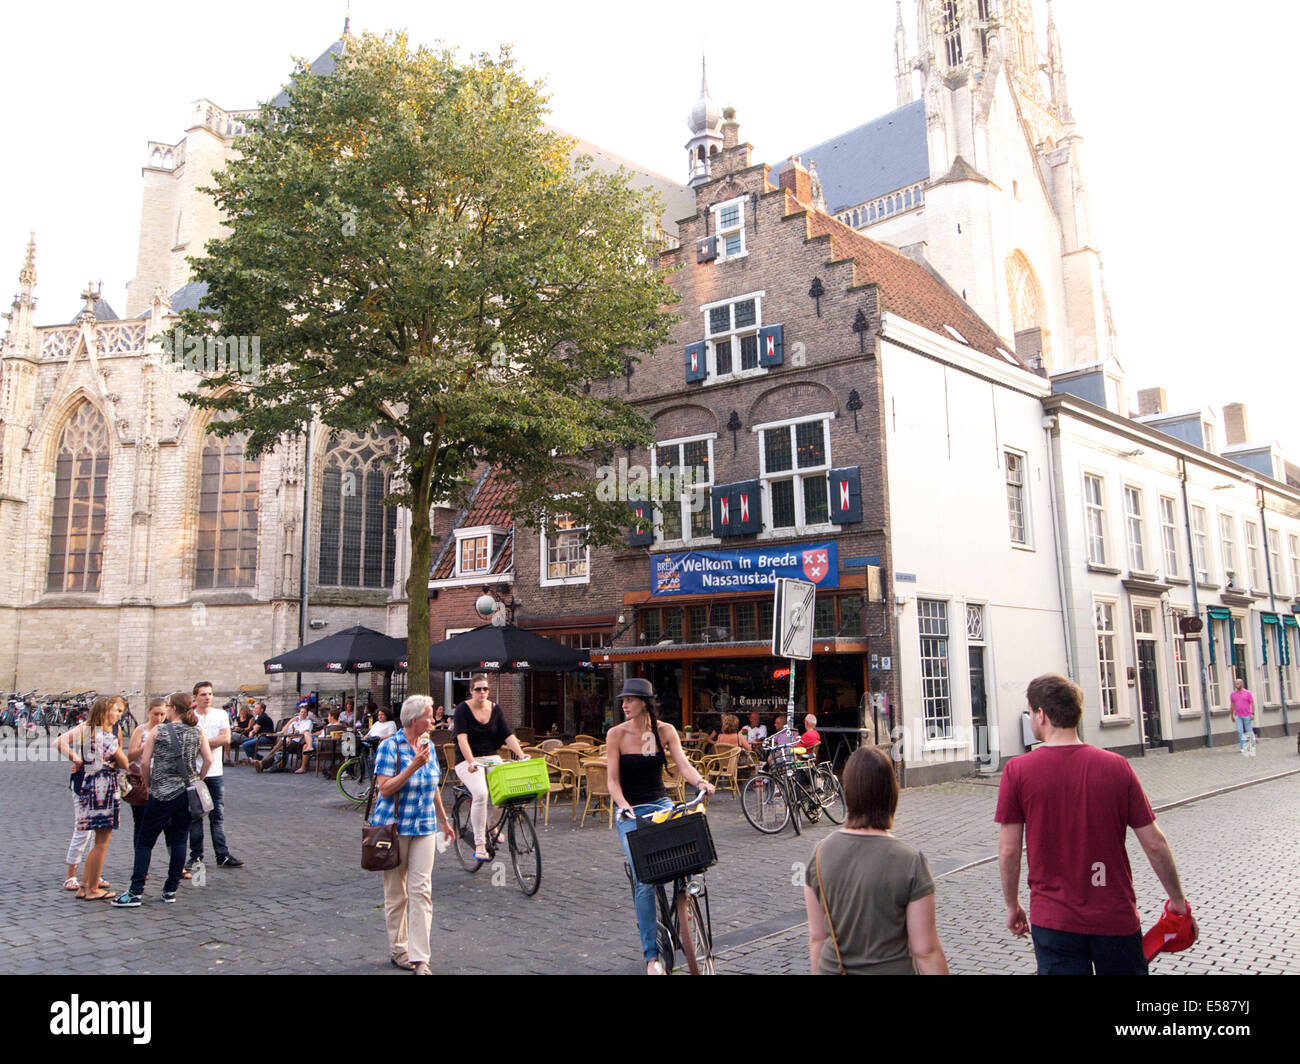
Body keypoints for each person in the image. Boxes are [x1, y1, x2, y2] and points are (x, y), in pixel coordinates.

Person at [995, 674, 1195, 975]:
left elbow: (1010, 851)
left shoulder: (1018, 770)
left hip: (1054, 919)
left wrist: (1013, 905)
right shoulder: (1116, 766)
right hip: (1114, 916)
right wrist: (1177, 900)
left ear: (1041, 715)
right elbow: (1154, 843)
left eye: (1031, 711)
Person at [804, 747, 948, 974]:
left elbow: (816, 937)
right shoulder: (910, 862)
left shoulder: (819, 854)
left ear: (848, 792)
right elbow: (925, 951)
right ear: (891, 793)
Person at [607, 677, 716, 975]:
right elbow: (612, 780)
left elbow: (682, 764)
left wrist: (701, 782)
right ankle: (651, 958)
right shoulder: (615, 734)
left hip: (660, 803)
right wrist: (623, 805)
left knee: (687, 844)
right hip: (631, 811)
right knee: (644, 880)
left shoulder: (664, 731)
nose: (624, 705)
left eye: (629, 699)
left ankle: (685, 900)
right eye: (623, 700)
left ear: (644, 702)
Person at [371, 695, 454, 975]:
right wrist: (412, 766)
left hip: (424, 827)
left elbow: (433, 786)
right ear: (414, 720)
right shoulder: (388, 747)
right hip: (394, 828)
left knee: (422, 891)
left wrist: (444, 821)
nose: (433, 721)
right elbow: (384, 789)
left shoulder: (428, 745)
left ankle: (420, 958)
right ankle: (399, 949)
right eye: (429, 716)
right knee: (397, 894)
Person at [113, 692, 213, 907]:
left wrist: (148, 785)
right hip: (185, 794)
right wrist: (198, 779)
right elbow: (208, 759)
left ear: (173, 709)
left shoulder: (159, 730)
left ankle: (135, 891)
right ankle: (170, 890)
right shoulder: (197, 731)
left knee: (145, 842)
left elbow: (146, 762)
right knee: (178, 841)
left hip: (160, 793)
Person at [60, 697, 129, 901]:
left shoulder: (89, 731)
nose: (118, 715)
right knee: (100, 840)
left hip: (89, 782)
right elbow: (124, 762)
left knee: (93, 837)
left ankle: (84, 884)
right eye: (116, 711)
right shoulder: (104, 736)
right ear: (105, 712)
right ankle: (91, 887)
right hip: (103, 787)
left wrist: (78, 761)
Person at [453, 675, 528, 861]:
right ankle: (479, 844)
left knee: (505, 790)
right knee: (481, 794)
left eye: (485, 689)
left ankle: (492, 825)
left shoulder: (495, 709)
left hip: (491, 756)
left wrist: (521, 755)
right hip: (467, 759)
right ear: (471, 691)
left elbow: (507, 734)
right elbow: (461, 738)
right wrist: (470, 761)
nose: (482, 693)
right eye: (478, 689)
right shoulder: (463, 709)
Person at [187, 681, 242, 871]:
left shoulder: (221, 715)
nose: (207, 697)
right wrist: (209, 743)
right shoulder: (189, 717)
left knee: (217, 816)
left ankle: (222, 854)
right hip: (194, 773)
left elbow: (225, 739)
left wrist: (201, 744)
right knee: (195, 817)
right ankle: (196, 857)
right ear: (195, 697)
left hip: (215, 772)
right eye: (203, 694)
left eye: (210, 694)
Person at [126, 698, 169, 851]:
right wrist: (147, 746)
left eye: (162, 714)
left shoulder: (168, 729)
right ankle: (140, 861)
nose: (159, 718)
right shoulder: (141, 730)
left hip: (163, 781)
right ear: (148, 712)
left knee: (168, 824)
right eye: (155, 714)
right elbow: (130, 756)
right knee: (141, 822)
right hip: (141, 782)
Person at [255, 702, 315, 773]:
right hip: (286, 738)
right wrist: (290, 721)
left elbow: (303, 733)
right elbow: (284, 730)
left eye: (304, 712)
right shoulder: (295, 720)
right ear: (299, 713)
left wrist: (290, 738)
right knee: (276, 748)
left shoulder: (308, 722)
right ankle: (263, 764)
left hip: (297, 741)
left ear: (307, 714)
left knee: (280, 749)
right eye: (301, 712)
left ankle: (263, 763)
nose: (303, 713)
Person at [1231, 678, 1256, 756]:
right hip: (1238, 715)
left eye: (1238, 684)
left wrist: (1252, 713)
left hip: (1247, 714)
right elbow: (1232, 705)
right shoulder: (1233, 694)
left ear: (1242, 684)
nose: (1236, 685)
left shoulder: (1248, 693)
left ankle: (1251, 746)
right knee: (1240, 731)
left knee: (1249, 731)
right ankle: (1243, 746)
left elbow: (1252, 703)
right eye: (1235, 684)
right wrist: (1232, 715)